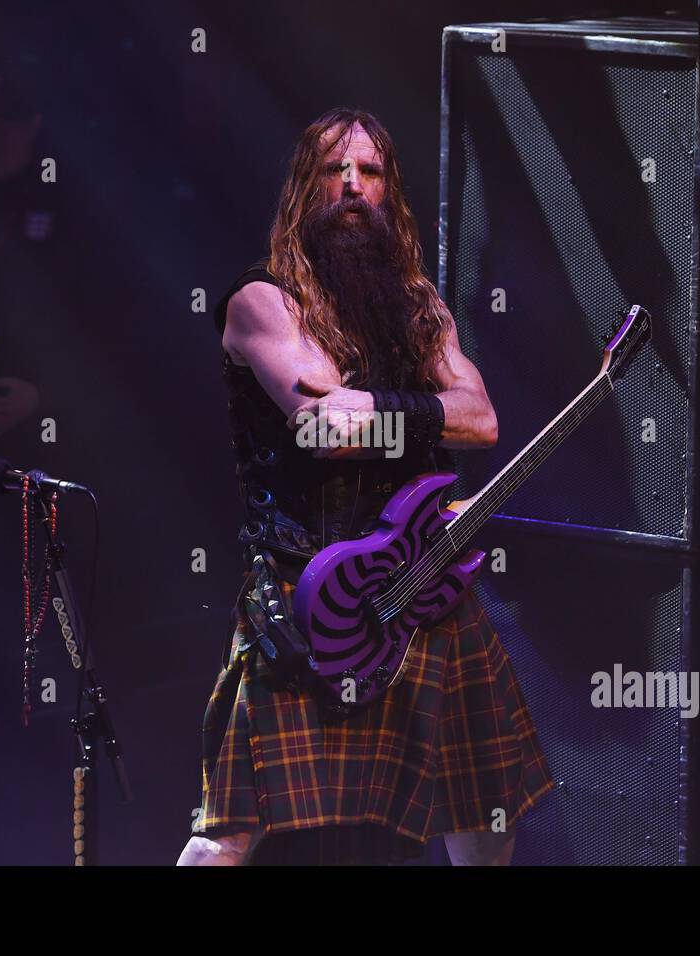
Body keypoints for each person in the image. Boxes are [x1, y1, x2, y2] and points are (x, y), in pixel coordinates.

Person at [178, 108, 553, 866]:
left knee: (485, 801)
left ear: (391, 194)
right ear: (303, 190)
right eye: (333, 171)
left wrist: (371, 406)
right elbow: (322, 428)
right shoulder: (262, 301)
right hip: (303, 593)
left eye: (370, 172)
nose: (352, 186)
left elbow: (480, 421)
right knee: (231, 830)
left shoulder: (417, 307)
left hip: (419, 587)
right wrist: (408, 414)